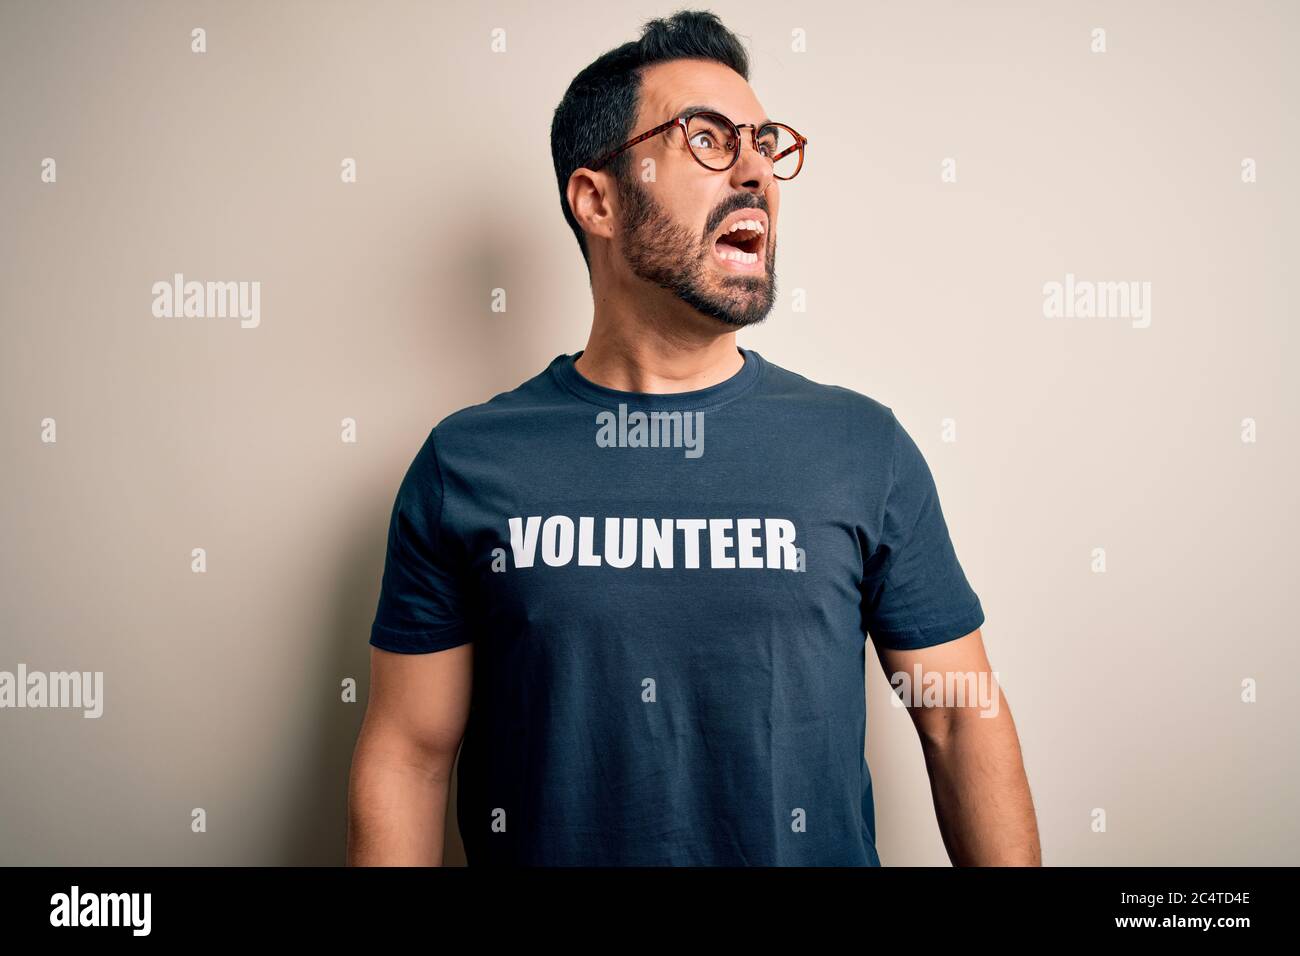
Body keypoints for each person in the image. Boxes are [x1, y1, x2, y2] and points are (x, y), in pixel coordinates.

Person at [347, 9, 1040, 866]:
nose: (756, 169)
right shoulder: (465, 464)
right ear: (597, 198)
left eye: (764, 142)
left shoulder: (864, 449)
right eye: (708, 139)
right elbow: (410, 758)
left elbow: (959, 716)